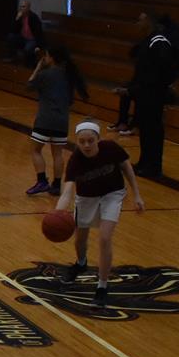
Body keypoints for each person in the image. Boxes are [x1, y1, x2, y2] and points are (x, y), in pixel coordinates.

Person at [52, 121, 144, 310]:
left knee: (104, 238)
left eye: (90, 141)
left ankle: (102, 287)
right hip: (86, 198)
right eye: (82, 141)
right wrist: (58, 212)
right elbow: (68, 191)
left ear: (98, 140)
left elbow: (127, 168)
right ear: (77, 141)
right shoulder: (76, 160)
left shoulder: (111, 148)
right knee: (80, 240)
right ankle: (81, 263)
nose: (86, 145)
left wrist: (137, 194)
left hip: (113, 194)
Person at [26, 43, 87, 196]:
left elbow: (29, 86)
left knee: (35, 150)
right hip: (62, 120)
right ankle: (56, 185)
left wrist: (38, 67)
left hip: (45, 118)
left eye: (45, 56)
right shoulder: (69, 76)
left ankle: (42, 181)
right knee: (58, 153)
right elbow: (70, 100)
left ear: (51, 58)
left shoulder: (45, 74)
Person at [126, 12, 179, 178]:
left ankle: (154, 166)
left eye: (140, 20)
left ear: (149, 21)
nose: (137, 24)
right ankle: (144, 161)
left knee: (153, 130)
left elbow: (164, 69)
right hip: (144, 93)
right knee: (145, 128)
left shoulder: (159, 42)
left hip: (154, 94)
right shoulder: (146, 42)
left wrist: (156, 87)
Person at [4, 0, 44, 66]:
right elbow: (13, 30)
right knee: (10, 37)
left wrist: (39, 45)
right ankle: (11, 57)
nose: (21, 8)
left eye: (23, 6)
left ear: (28, 8)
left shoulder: (33, 17)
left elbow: (39, 32)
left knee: (28, 49)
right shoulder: (20, 16)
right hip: (23, 37)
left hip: (32, 39)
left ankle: (28, 64)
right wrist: (17, 19)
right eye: (21, 6)